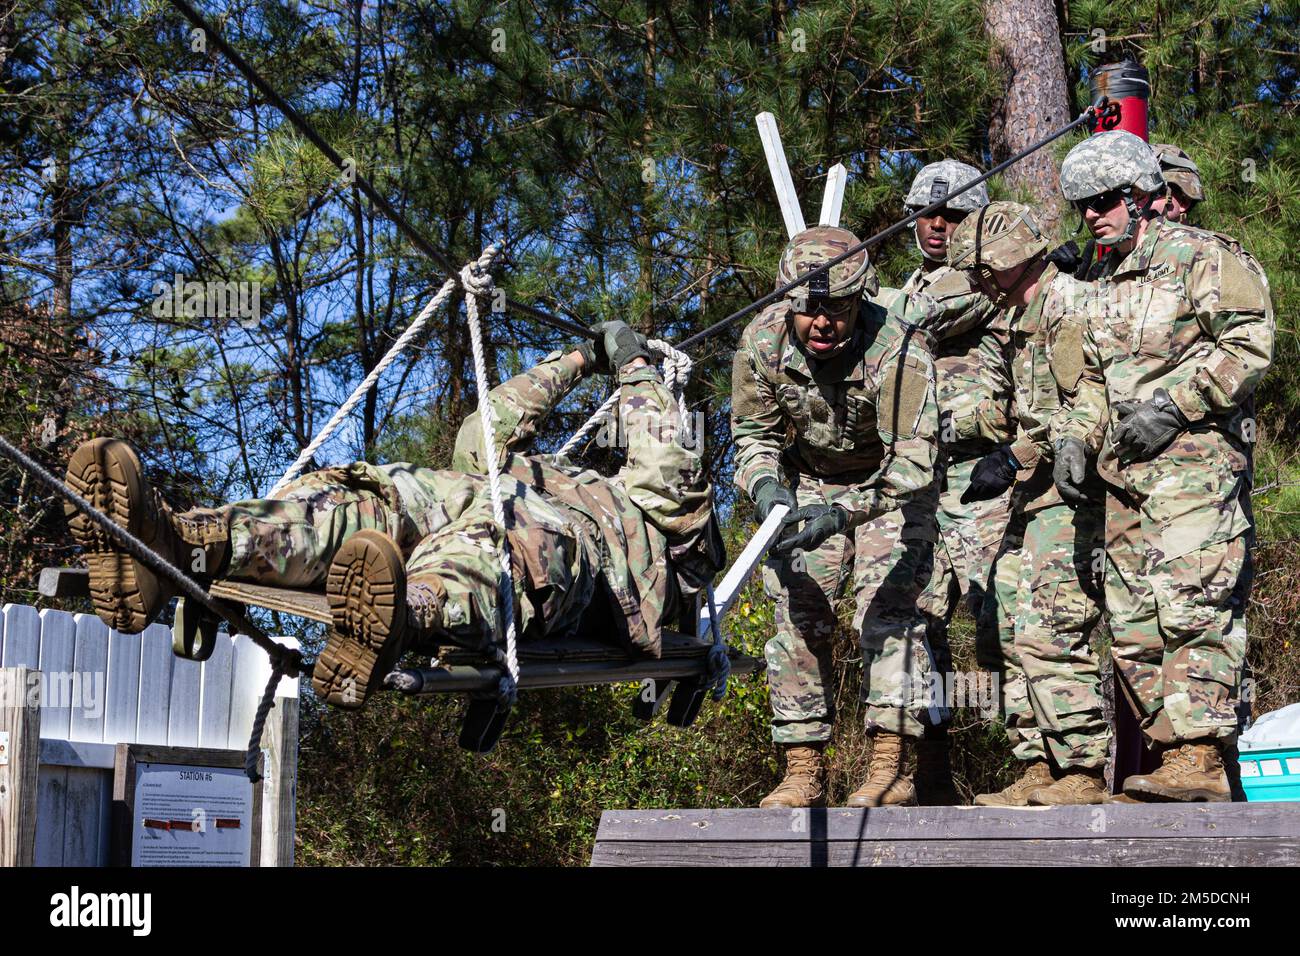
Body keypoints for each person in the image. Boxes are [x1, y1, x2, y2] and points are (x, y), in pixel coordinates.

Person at [64, 321, 723, 708]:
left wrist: (635, 365)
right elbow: (486, 428)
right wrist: (579, 360)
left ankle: (402, 615)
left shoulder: (666, 517)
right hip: (484, 497)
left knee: (495, 541)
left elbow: (661, 449)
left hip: (584, 559)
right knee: (375, 495)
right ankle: (187, 543)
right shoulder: (551, 472)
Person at [1054, 130, 1273, 801]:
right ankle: (1177, 757)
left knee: (1192, 610)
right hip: (1124, 484)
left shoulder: (1200, 257)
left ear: (1139, 194)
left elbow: (1251, 339)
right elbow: (1090, 377)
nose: (1091, 216)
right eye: (1082, 206)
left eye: (1102, 202)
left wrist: (1176, 405)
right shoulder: (1097, 283)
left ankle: (1199, 756)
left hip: (1193, 473)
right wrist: (1075, 436)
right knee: (1132, 623)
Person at [732, 225, 940, 808]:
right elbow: (752, 435)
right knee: (798, 614)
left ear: (860, 301)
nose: (822, 322)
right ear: (788, 302)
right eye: (808, 307)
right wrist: (766, 484)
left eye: (838, 308)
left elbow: (915, 461)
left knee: (890, 611)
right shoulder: (762, 341)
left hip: (888, 489)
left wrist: (843, 512)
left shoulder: (899, 349)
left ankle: (890, 768)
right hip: (806, 484)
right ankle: (803, 771)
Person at [946, 201, 1111, 805]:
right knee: (1008, 630)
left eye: (987, 270)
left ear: (1014, 258)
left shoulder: (1065, 306)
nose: (982, 283)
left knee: (1049, 627)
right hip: (1032, 501)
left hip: (1068, 497)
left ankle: (1082, 769)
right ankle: (1037, 764)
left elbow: (1079, 406)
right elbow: (1019, 406)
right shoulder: (1018, 319)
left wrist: (1015, 456)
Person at [875, 160, 1017, 802]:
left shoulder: (984, 279)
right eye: (927, 214)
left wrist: (843, 291)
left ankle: (1041, 767)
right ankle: (924, 770)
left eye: (954, 214)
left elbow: (918, 318)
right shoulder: (907, 286)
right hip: (919, 480)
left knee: (1003, 619)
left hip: (982, 474)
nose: (938, 225)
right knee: (915, 626)